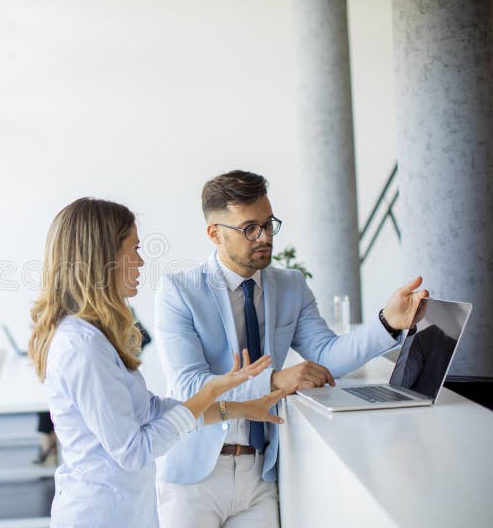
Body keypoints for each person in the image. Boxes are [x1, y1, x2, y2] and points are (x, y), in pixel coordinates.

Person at [154, 170, 428, 528]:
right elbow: (188, 387)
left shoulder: (291, 285)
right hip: (193, 478)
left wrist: (388, 322)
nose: (265, 236)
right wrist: (274, 380)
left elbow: (326, 354)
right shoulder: (179, 292)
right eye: (250, 228)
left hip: (260, 475)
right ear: (215, 233)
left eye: (269, 224)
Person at [28, 197, 293, 528]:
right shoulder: (81, 347)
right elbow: (134, 450)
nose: (141, 262)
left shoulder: (95, 337)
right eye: (134, 249)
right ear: (105, 258)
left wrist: (238, 408)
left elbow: (151, 410)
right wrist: (209, 390)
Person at [32, 309, 152, 466]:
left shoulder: (85, 338)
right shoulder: (79, 338)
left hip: (112, 458)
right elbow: (131, 452)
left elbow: (145, 338)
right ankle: (47, 438)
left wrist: (118, 358)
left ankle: (47, 439)